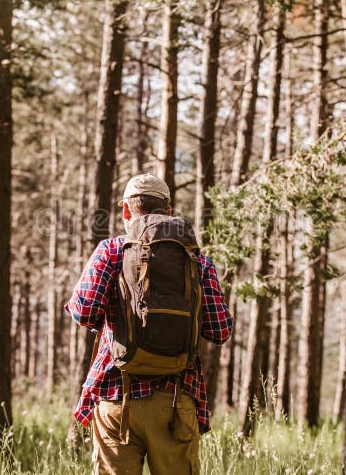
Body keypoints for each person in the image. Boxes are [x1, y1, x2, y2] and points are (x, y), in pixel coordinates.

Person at [65, 173, 234, 475]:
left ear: (126, 212)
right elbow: (220, 330)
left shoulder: (112, 251)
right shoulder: (198, 260)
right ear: (168, 211)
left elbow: (85, 311)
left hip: (118, 395)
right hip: (177, 398)